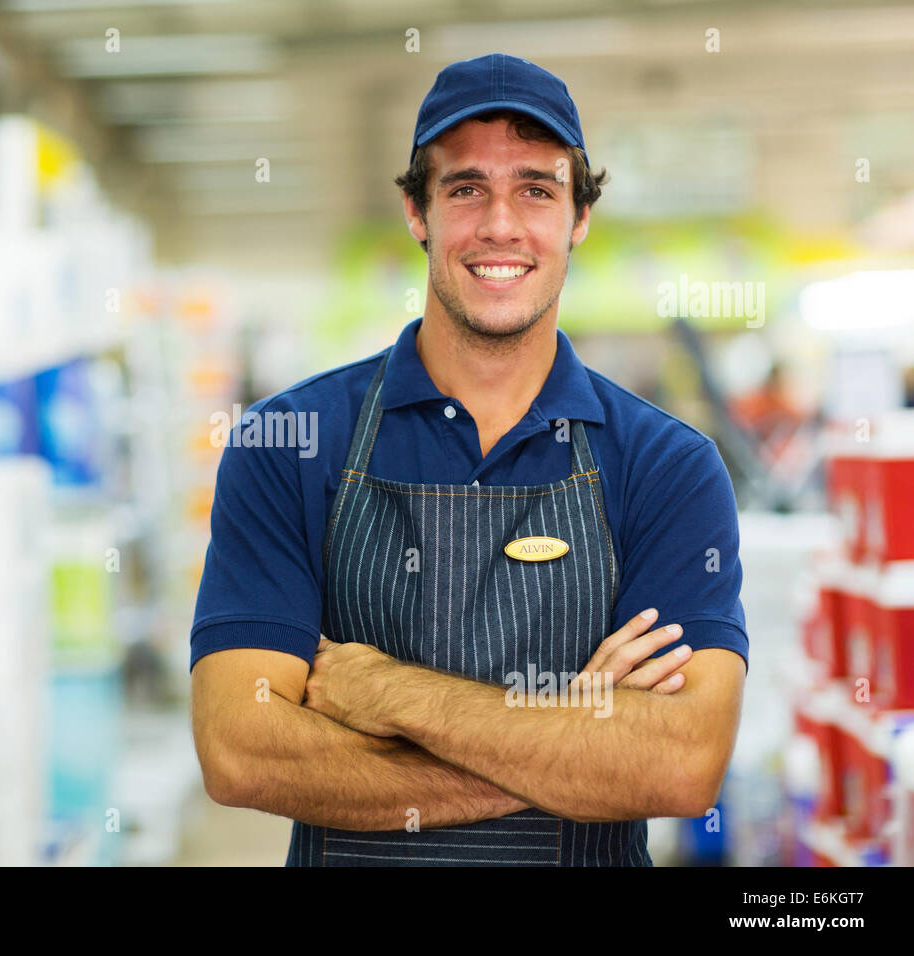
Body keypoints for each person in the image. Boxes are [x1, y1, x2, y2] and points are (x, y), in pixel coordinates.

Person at [190, 54, 748, 866]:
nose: (500, 226)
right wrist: (577, 738)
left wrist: (386, 691)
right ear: (417, 211)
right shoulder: (290, 443)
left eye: (536, 189)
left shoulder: (667, 466)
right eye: (464, 190)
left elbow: (682, 764)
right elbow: (239, 750)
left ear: (578, 217)